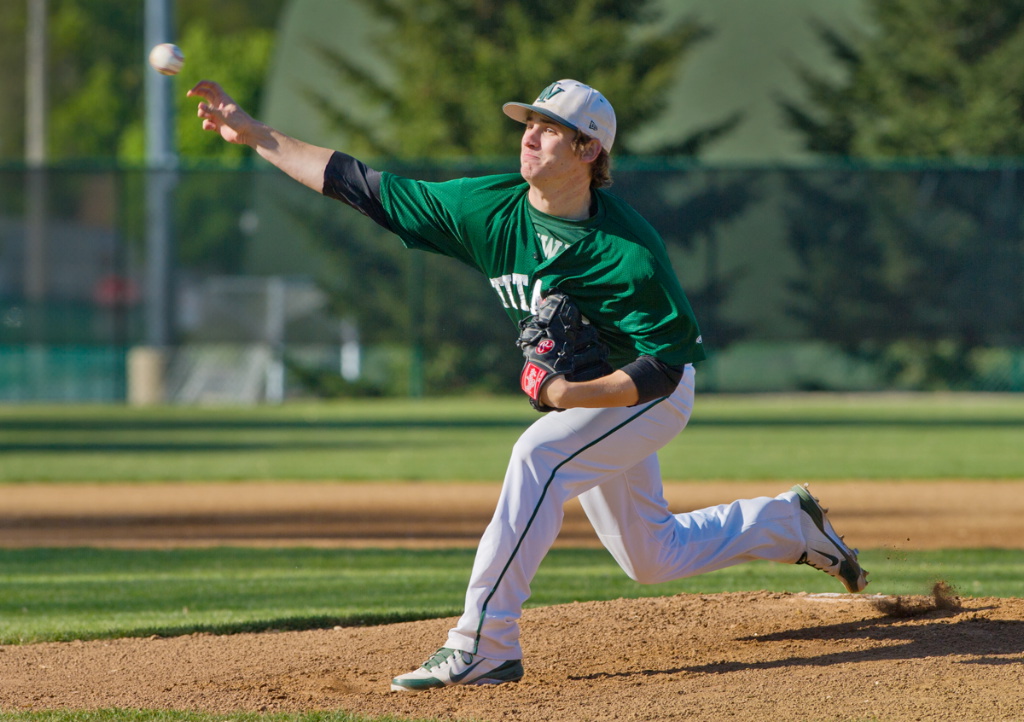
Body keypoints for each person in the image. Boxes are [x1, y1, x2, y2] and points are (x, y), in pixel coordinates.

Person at [188, 78, 869, 693]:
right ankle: (787, 522)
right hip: (595, 395)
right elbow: (360, 184)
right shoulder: (493, 209)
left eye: (548, 127)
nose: (530, 136)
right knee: (650, 558)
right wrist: (253, 134)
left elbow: (664, 366)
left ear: (587, 149)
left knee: (538, 456)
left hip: (648, 394)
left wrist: (569, 397)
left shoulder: (625, 253)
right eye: (528, 124)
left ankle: (483, 644)